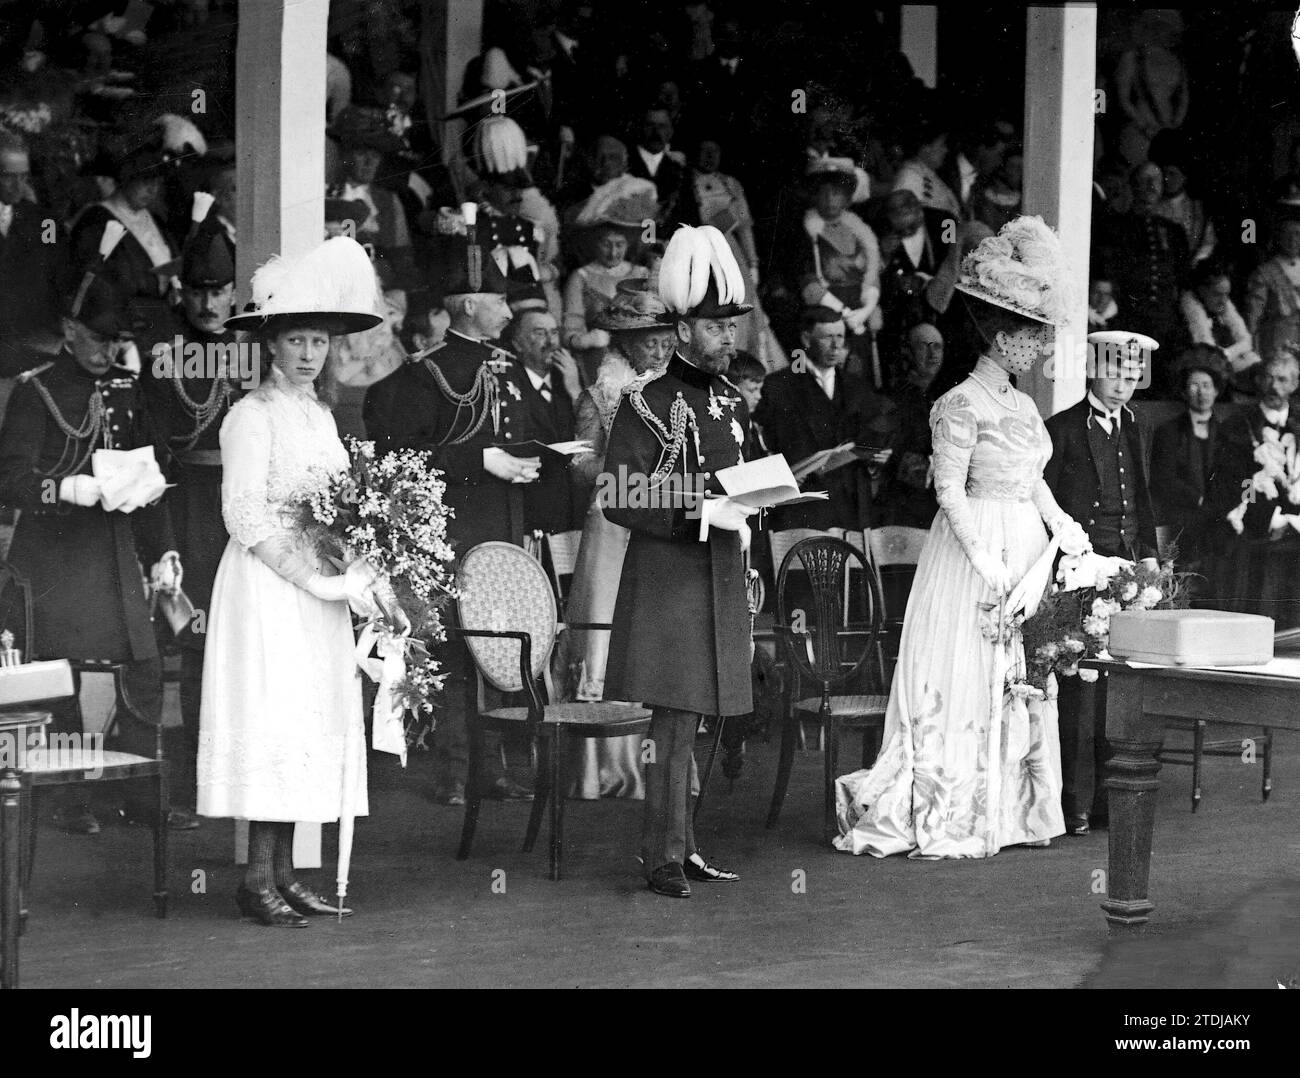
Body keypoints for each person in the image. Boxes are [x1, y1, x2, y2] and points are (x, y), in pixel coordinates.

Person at [834, 215, 1076, 859]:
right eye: (1031, 334)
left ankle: (1015, 811)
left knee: (1023, 675)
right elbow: (948, 492)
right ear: (1001, 336)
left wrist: (1065, 527)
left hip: (1024, 543)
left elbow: (1032, 480)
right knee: (971, 675)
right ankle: (960, 810)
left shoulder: (1024, 406)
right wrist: (986, 564)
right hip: (972, 552)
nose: (1039, 345)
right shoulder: (959, 404)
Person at [198, 236, 384, 927]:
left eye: (318, 341)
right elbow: (243, 512)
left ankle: (283, 873)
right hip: (269, 588)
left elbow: (335, 503)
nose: (308, 354)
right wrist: (311, 576)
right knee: (271, 722)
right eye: (296, 341)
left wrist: (352, 567)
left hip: (316, 589)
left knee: (305, 725)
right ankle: (255, 879)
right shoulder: (252, 415)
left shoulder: (322, 415)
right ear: (271, 346)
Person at [0, 259, 177, 836]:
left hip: (113, 549)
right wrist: (66, 488)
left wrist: (164, 552)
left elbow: (152, 476)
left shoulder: (127, 390)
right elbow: (9, 481)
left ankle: (140, 792)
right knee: (60, 675)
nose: (109, 351)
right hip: (52, 555)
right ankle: (66, 797)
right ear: (69, 329)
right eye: (100, 338)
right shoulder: (37, 392)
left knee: (145, 666)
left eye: (118, 341)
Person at [602, 224, 753, 896]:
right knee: (673, 716)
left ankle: (685, 844)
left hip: (721, 571)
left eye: (732, 327)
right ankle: (659, 853)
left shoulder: (730, 402)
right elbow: (618, 493)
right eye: (717, 327)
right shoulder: (646, 402)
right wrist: (699, 507)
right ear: (685, 329)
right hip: (670, 578)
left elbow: (747, 476)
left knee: (708, 712)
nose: (729, 339)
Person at [364, 234, 536, 806]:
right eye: (500, 300)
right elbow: (401, 457)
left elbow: (521, 433)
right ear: (468, 305)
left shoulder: (505, 369)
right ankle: (457, 771)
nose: (509, 311)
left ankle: (490, 767)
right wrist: (478, 459)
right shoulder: (420, 377)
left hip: (503, 524)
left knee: (497, 643)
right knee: (455, 649)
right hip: (453, 528)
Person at [141, 201, 242, 828]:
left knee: (220, 651)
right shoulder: (159, 352)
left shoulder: (248, 352)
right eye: (199, 291)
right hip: (175, 509)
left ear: (234, 293)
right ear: (183, 291)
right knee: (171, 642)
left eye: (220, 292)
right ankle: (162, 789)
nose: (208, 305)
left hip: (232, 509)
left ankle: (213, 782)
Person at [1044, 330, 1161, 836]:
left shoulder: (1133, 425)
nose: (1123, 386)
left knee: (1121, 685)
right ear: (1093, 370)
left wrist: (1151, 556)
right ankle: (1075, 805)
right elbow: (1046, 506)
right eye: (1115, 374)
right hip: (1080, 569)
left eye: (1132, 377)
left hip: (1128, 570)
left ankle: (1113, 800)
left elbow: (1143, 492)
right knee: (1078, 686)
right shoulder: (1063, 428)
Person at [561, 284, 674, 798]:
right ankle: (602, 768)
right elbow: (578, 465)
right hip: (612, 523)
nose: (660, 348)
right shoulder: (602, 393)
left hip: (665, 519)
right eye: (648, 340)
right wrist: (624, 468)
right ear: (626, 343)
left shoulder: (676, 392)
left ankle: (660, 766)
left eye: (665, 338)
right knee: (606, 630)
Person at [755, 305, 895, 534]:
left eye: (840, 336)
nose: (836, 345)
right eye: (827, 337)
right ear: (806, 339)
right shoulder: (777, 387)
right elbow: (760, 448)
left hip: (850, 513)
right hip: (802, 512)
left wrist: (877, 459)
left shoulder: (858, 387)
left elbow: (870, 444)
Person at [1207, 350, 1300, 629]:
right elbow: (1238, 483)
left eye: (1283, 380)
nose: (1275, 387)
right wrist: (1269, 516)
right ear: (1258, 381)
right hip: (1254, 523)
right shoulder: (1238, 425)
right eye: (1268, 378)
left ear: (1295, 384)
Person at [1092, 162, 1190, 392]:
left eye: (1155, 181)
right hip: (1128, 318)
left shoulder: (1173, 231)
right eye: (1144, 181)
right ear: (1133, 186)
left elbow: (1181, 279)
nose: (1151, 186)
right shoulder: (1115, 226)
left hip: (1165, 323)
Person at [798, 158, 881, 379]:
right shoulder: (808, 232)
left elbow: (871, 273)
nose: (830, 199)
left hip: (859, 313)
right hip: (827, 313)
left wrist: (868, 310)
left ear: (847, 196)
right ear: (814, 195)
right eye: (824, 192)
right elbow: (809, 285)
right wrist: (844, 314)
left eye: (836, 192)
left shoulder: (858, 230)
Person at [1150, 346, 1227, 578]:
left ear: (1216, 391)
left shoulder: (1228, 433)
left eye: (1206, 386)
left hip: (1220, 517)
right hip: (1182, 517)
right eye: (1194, 386)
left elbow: (1242, 478)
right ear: (1185, 391)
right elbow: (1163, 478)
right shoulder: (1170, 432)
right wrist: (1198, 498)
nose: (1201, 393)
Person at [508, 307, 582, 537]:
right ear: (518, 343)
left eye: (554, 332)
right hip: (532, 513)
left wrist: (575, 389)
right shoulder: (508, 384)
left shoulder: (570, 379)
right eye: (540, 333)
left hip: (573, 510)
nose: (551, 341)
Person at [562, 220, 649, 382]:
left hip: (640, 359)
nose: (613, 252)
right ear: (594, 243)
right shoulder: (580, 278)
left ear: (628, 244)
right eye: (606, 244)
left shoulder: (642, 274)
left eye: (620, 244)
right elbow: (570, 328)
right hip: (599, 362)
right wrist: (583, 340)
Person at [879, 322, 943, 528]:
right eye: (925, 346)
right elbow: (893, 458)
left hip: (933, 509)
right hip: (902, 512)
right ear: (909, 352)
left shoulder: (942, 396)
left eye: (938, 346)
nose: (933, 354)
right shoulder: (892, 398)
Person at [1180, 259, 1259, 392]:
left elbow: (1246, 341)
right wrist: (1231, 354)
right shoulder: (1187, 318)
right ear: (1202, 290)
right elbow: (1209, 357)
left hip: (1229, 370)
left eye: (1226, 295)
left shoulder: (1225, 309)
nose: (1223, 301)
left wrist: (1226, 355)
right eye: (1217, 294)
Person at [1244, 211, 1300, 361]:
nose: (1293, 240)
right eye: (1287, 234)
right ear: (1278, 237)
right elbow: (1253, 316)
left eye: (1297, 234)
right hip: (1277, 345)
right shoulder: (1264, 273)